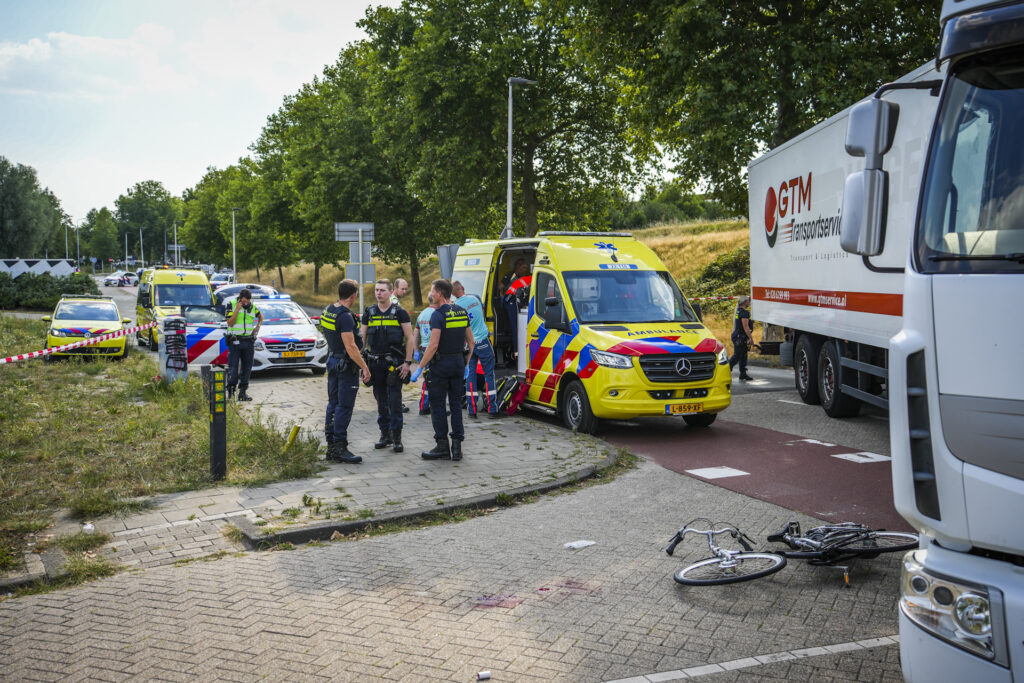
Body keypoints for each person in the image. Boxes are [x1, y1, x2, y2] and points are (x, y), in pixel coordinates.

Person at [413, 279, 474, 461]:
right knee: (455, 405)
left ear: (439, 293)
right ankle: (457, 448)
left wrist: (419, 368)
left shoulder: (437, 315)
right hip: (458, 363)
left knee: (438, 405)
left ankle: (441, 446)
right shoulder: (462, 312)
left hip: (440, 366)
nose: (431, 294)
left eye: (432, 291)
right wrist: (467, 364)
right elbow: (471, 342)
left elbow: (433, 346)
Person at [361, 279, 416, 453]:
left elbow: (410, 339)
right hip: (375, 363)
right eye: (377, 290)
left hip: (394, 365)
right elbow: (361, 340)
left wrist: (407, 363)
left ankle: (397, 438)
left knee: (394, 401)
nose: (378, 293)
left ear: (390, 292)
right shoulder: (369, 313)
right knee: (380, 401)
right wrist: (362, 365)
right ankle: (385, 435)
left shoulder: (400, 313)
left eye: (383, 290)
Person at [320, 279, 371, 464]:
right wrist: (364, 367)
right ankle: (340, 447)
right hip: (345, 366)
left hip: (332, 361)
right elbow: (351, 346)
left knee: (332, 404)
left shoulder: (328, 310)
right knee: (344, 406)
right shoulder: (344, 316)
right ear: (353, 295)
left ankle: (331, 446)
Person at [453, 280, 499, 418]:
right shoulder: (475, 298)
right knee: (489, 374)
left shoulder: (455, 307)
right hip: (483, 342)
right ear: (463, 287)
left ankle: (472, 410)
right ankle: (492, 409)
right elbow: (482, 309)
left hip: (468, 344)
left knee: (470, 375)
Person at [224, 288, 263, 401]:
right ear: (240, 299)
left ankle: (242, 393)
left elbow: (261, 317)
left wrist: (258, 327)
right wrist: (237, 309)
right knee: (233, 369)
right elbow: (230, 323)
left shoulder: (252, 307)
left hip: (248, 341)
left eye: (247, 301)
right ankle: (231, 393)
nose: (246, 304)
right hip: (235, 342)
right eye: (244, 301)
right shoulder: (231, 304)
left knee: (247, 369)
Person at [502, 259, 531, 365]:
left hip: (515, 301)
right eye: (524, 267)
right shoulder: (510, 276)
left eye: (527, 268)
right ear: (517, 267)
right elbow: (500, 287)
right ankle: (516, 353)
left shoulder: (526, 278)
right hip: (509, 301)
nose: (525, 270)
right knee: (516, 328)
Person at [415, 294, 438, 415]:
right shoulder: (437, 314)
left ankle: (424, 405)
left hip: (424, 348)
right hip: (434, 350)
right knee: (436, 379)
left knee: (427, 378)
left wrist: (415, 350)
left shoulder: (422, 314)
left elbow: (416, 334)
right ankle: (431, 406)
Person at [729, 295, 755, 381]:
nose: (749, 302)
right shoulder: (744, 313)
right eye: (748, 301)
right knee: (737, 355)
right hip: (740, 337)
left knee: (743, 355)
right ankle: (727, 369)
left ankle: (743, 373)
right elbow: (746, 327)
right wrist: (751, 338)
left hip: (738, 336)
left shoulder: (738, 311)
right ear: (745, 302)